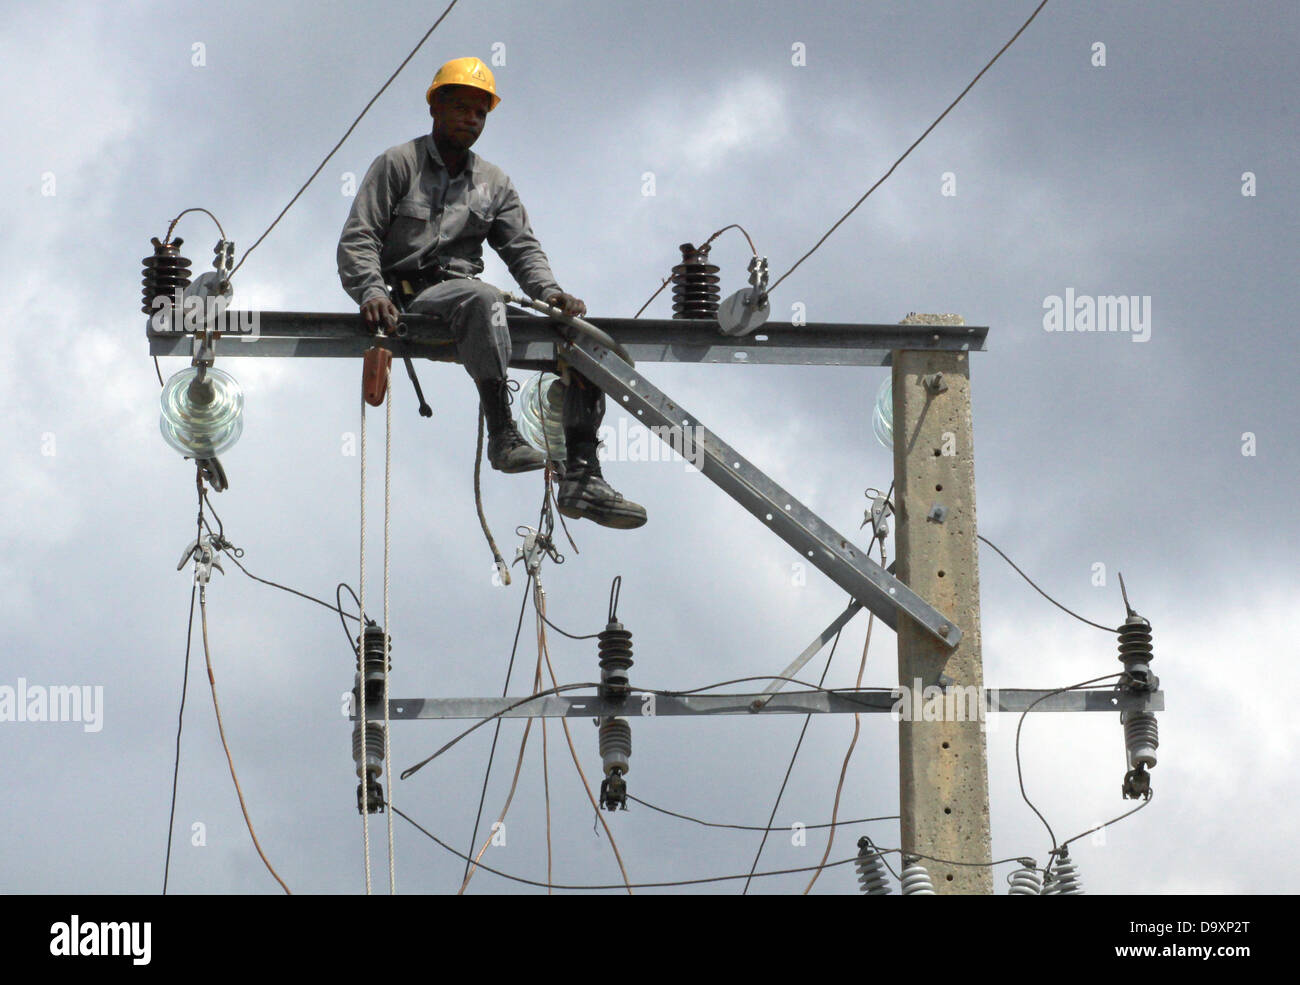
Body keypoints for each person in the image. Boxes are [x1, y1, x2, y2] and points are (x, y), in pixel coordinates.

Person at [337, 57, 646, 530]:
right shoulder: (399, 164)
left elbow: (522, 248)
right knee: (483, 298)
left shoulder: (494, 183)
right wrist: (371, 293)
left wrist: (551, 294)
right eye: (461, 108)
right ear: (436, 107)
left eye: (480, 112)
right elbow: (359, 238)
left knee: (582, 341)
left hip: (473, 303)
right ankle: (501, 433)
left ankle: (583, 475)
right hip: (415, 302)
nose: (472, 120)